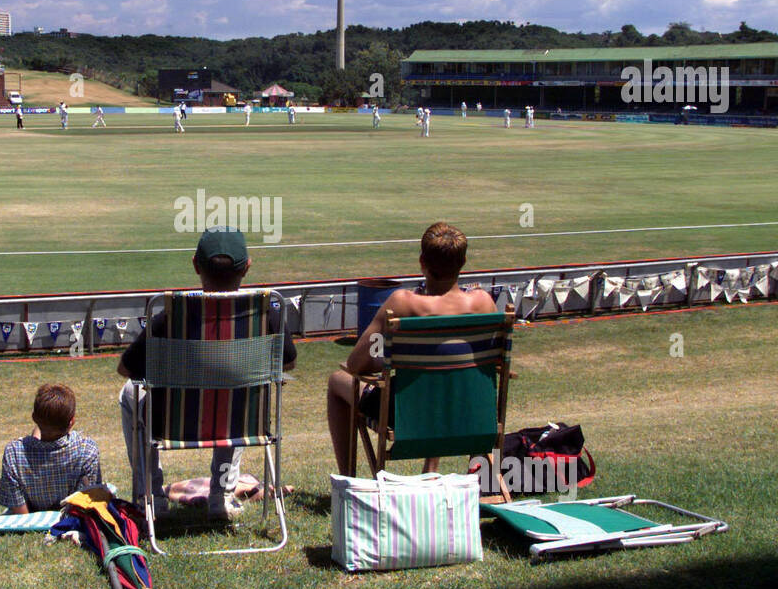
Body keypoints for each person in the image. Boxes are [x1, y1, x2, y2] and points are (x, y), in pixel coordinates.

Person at [118, 227, 296, 518]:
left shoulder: (172, 317)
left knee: (129, 393)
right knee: (241, 391)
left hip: (174, 423)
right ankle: (221, 495)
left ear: (195, 265)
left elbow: (126, 369)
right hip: (238, 422)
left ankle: (151, 497)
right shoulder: (266, 313)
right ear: (247, 267)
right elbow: (287, 363)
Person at [326, 222, 496, 473]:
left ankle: (348, 479)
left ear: (422, 262)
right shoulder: (483, 302)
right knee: (444, 379)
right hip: (470, 413)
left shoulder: (403, 304)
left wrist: (381, 360)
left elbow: (355, 364)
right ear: (463, 262)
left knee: (337, 381)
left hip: (411, 416)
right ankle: (431, 472)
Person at [0, 383, 102, 513]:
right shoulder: (86, 450)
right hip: (73, 515)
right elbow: (86, 502)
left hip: (30, 515)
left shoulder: (13, 453)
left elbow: (21, 515)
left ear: (34, 418)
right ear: (71, 422)